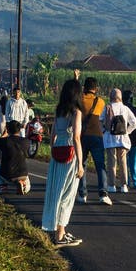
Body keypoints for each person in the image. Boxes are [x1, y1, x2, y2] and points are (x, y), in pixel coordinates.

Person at [41, 79, 84, 248]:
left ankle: (60, 231)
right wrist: (80, 164)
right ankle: (60, 234)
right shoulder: (76, 112)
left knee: (56, 191)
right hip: (70, 153)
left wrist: (54, 150)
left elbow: (52, 136)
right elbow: (76, 137)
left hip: (57, 153)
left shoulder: (59, 110)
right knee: (68, 193)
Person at [74, 74, 110, 205]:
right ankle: (103, 194)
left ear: (85, 87)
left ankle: (83, 194)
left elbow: (74, 95)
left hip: (82, 136)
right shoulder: (100, 102)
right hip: (97, 135)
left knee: (81, 164)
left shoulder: (79, 99)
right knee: (100, 165)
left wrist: (76, 79)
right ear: (96, 89)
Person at [100, 88, 136, 193]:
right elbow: (135, 123)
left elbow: (100, 121)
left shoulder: (107, 107)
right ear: (120, 97)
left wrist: (103, 131)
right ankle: (123, 186)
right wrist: (127, 131)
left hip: (110, 139)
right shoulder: (125, 108)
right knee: (123, 162)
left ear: (111, 97)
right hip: (123, 139)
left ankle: (111, 186)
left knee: (111, 163)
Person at [0, 120, 31, 195]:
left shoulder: (4, 141)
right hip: (23, 173)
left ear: (7, 130)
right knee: (27, 187)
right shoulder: (26, 141)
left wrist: (4, 135)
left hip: (8, 174)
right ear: (19, 129)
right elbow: (28, 154)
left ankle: (3, 187)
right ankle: (23, 185)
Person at [122, 89, 136, 189]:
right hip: (134, 139)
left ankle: (126, 182)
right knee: (134, 162)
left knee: (124, 162)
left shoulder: (121, 109)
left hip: (123, 139)